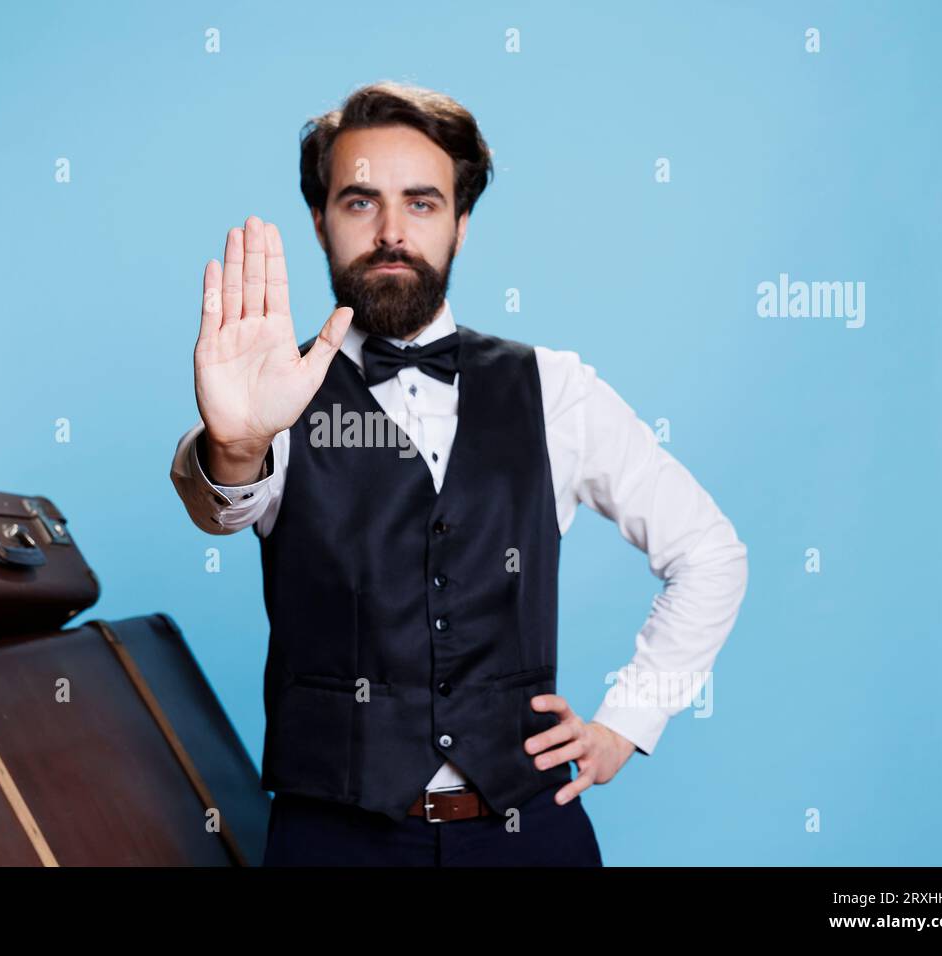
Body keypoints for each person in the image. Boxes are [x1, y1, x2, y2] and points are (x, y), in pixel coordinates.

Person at [169, 81, 748, 866]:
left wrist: (630, 720)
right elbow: (221, 504)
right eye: (360, 202)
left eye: (422, 203)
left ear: (461, 224)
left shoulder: (557, 388)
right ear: (319, 221)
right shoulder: (274, 394)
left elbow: (710, 553)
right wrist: (234, 443)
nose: (391, 232)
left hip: (528, 835)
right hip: (333, 842)